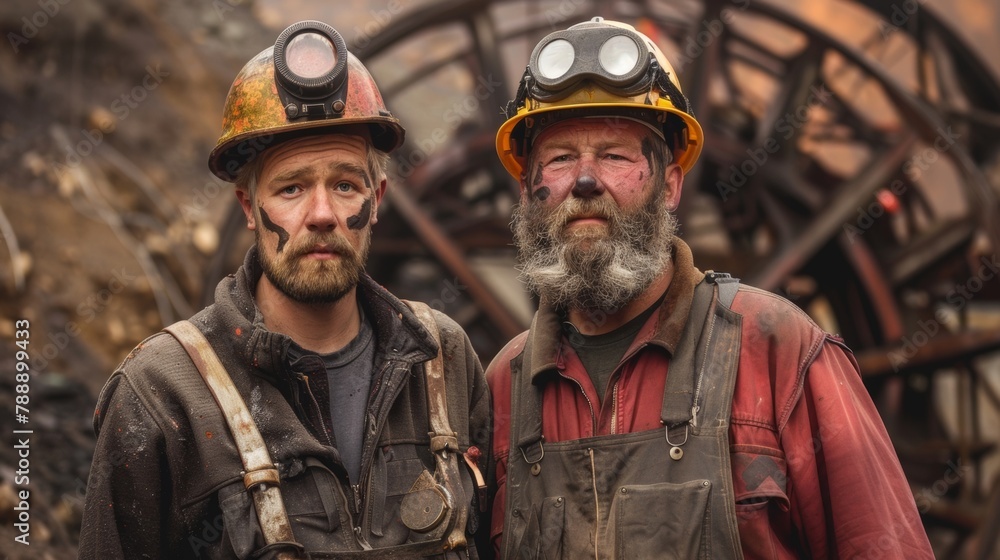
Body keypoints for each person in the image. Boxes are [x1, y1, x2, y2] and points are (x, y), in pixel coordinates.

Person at [487, 17, 933, 559]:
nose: (585, 182)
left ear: (670, 186)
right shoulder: (502, 388)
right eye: (559, 159)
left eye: (615, 156)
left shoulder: (777, 348)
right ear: (527, 189)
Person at [79, 20, 490, 559]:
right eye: (291, 188)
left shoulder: (443, 361)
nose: (322, 215)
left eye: (345, 185)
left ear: (378, 197)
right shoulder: (160, 394)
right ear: (249, 207)